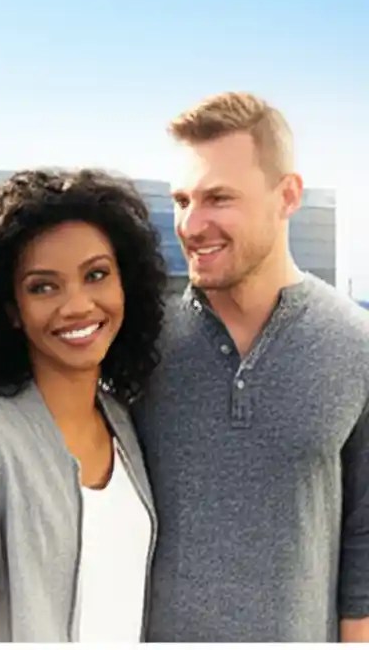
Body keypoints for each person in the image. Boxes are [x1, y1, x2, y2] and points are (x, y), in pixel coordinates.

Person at [132, 91, 369, 642]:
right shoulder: (139, 346)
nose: (191, 224)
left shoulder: (356, 345)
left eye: (217, 198)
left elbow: (364, 540)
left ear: (287, 195)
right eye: (182, 199)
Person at [0, 167, 169, 642]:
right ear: (11, 309)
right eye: (43, 286)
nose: (78, 305)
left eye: (96, 275)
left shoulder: (125, 424)